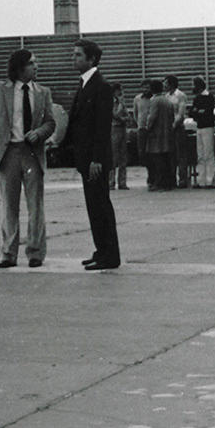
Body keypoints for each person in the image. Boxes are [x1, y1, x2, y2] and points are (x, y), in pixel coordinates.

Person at [0, 49, 56, 268]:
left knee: (36, 206)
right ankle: (8, 253)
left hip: (32, 153)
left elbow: (51, 122)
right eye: (32, 63)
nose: (36, 66)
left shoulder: (43, 92)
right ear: (20, 67)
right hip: (9, 154)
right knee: (9, 206)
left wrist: (39, 133)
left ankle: (35, 252)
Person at [62, 40, 121, 270]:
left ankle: (110, 255)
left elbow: (102, 127)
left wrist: (97, 158)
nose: (73, 58)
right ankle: (101, 250)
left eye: (78, 55)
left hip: (95, 160)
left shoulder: (101, 86)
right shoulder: (85, 84)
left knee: (100, 206)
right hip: (85, 159)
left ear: (91, 59)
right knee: (93, 207)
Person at [142, 79, 174, 190]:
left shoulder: (154, 101)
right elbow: (172, 116)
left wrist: (147, 127)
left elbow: (152, 117)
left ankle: (159, 182)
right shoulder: (167, 100)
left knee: (157, 160)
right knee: (166, 159)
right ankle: (168, 183)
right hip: (167, 133)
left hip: (156, 135)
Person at [191, 77, 215, 188]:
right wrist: (199, 112)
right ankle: (203, 179)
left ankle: (209, 179)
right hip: (202, 126)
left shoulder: (208, 97)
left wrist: (197, 112)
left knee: (208, 153)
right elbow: (194, 112)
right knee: (201, 154)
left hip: (206, 126)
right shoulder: (200, 97)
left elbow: (202, 112)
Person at [164, 74, 189, 188]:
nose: (164, 85)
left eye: (166, 83)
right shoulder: (166, 96)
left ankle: (183, 179)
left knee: (180, 154)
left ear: (171, 84)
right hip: (168, 127)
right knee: (171, 154)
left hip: (178, 127)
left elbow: (181, 113)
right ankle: (171, 178)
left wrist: (174, 124)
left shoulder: (180, 95)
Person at [132, 80, 154, 188]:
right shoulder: (137, 99)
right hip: (141, 129)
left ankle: (152, 177)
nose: (146, 90)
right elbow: (135, 113)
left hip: (152, 129)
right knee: (142, 153)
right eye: (144, 87)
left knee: (152, 153)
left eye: (147, 87)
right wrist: (139, 124)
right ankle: (150, 172)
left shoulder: (154, 99)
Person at [109, 82, 130, 190]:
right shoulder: (111, 102)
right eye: (119, 90)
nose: (121, 92)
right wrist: (123, 118)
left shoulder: (122, 102)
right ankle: (111, 181)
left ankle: (122, 182)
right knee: (113, 156)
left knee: (123, 156)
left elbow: (128, 116)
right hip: (114, 129)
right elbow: (115, 114)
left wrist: (124, 119)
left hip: (122, 129)